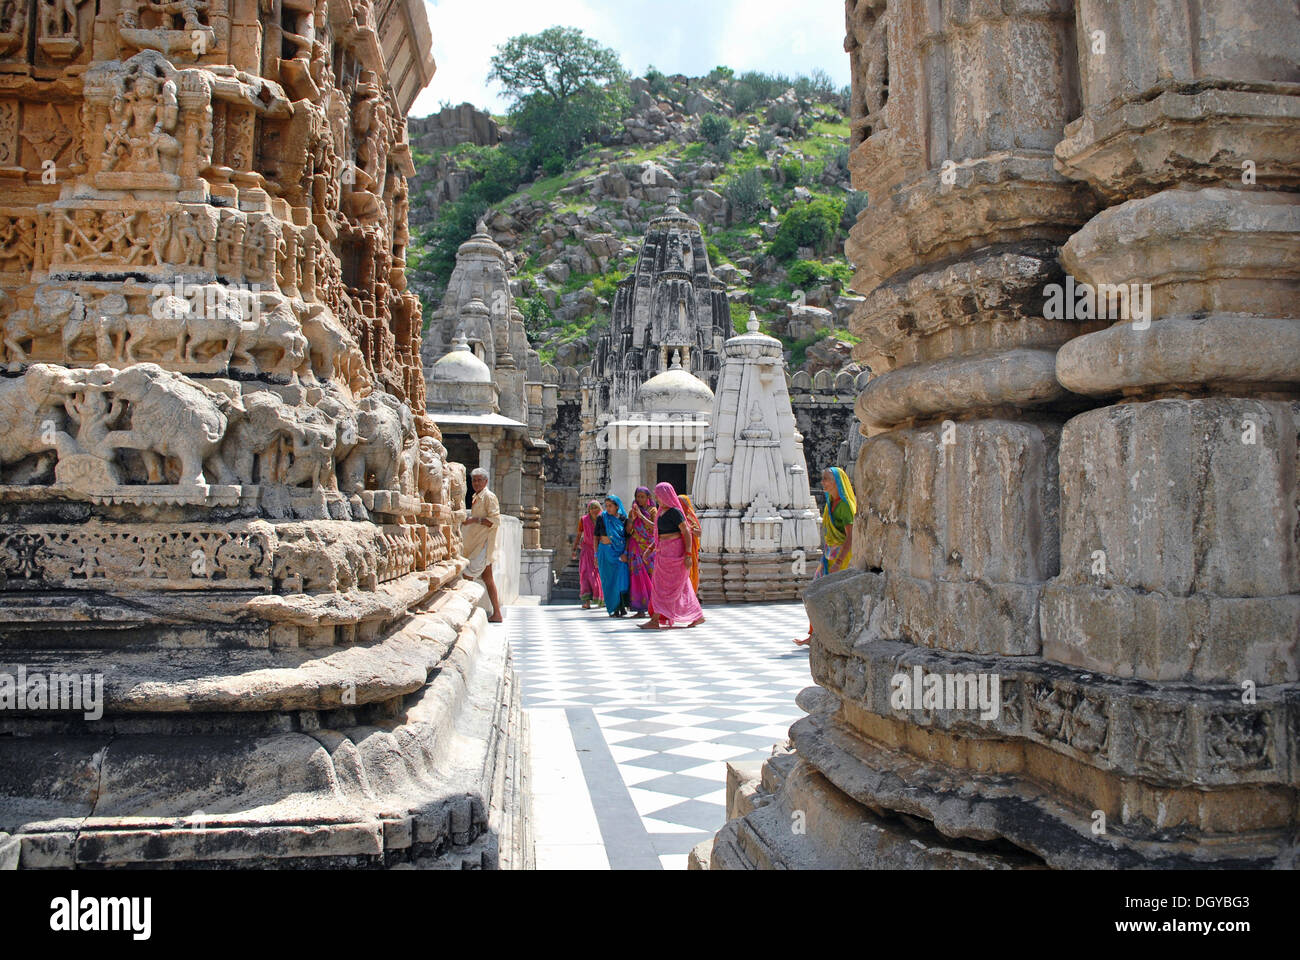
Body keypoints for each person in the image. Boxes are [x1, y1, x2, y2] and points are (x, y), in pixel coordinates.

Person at [795, 466, 856, 646]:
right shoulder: (831, 502)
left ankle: (831, 635)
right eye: (823, 478)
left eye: (826, 479)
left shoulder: (844, 505)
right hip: (829, 555)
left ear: (837, 482)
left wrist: (838, 562)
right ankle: (814, 634)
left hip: (841, 557)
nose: (823, 483)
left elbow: (851, 537)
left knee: (834, 595)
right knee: (815, 591)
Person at [640, 482, 705, 630]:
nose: (656, 497)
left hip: (675, 554)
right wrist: (650, 549)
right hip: (663, 553)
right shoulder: (661, 512)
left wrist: (688, 554)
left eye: (658, 494)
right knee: (669, 587)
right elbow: (659, 534)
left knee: (671, 587)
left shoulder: (676, 512)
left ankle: (656, 619)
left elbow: (686, 532)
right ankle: (696, 616)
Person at [463, 467, 504, 623]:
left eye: (480, 480)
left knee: (468, 574)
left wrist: (475, 520)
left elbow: (495, 520)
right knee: (488, 578)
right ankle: (497, 613)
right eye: (474, 480)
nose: (476, 483)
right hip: (476, 542)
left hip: (484, 544)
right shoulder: (476, 496)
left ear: (486, 481)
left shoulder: (489, 497)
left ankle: (467, 610)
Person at [596, 494, 631, 618]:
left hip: (619, 553)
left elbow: (627, 538)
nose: (608, 508)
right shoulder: (602, 518)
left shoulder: (623, 519)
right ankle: (613, 608)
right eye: (606, 506)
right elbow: (596, 537)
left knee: (621, 581)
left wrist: (625, 553)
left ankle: (622, 606)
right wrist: (596, 555)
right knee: (608, 581)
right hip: (605, 553)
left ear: (617, 506)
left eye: (610, 506)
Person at [626, 485, 657, 616]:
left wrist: (641, 516)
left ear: (648, 498)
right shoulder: (632, 511)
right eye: (637, 497)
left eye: (642, 497)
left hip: (649, 549)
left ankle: (653, 607)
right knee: (637, 578)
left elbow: (655, 528)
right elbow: (628, 531)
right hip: (635, 548)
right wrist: (633, 519)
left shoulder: (653, 511)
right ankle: (639, 608)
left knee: (651, 577)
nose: (639, 499)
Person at [572, 500, 604, 609]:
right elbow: (579, 535)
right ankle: (587, 602)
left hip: (599, 551)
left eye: (596, 508)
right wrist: (574, 548)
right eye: (592, 508)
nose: (594, 510)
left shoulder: (603, 519)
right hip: (586, 551)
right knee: (585, 574)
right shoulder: (583, 520)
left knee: (597, 575)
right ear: (589, 510)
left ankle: (601, 599)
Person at [678, 493, 703, 597]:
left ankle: (690, 596)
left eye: (681, 503)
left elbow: (699, 532)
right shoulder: (676, 516)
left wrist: (689, 529)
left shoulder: (690, 516)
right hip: (678, 548)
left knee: (690, 572)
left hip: (690, 549)